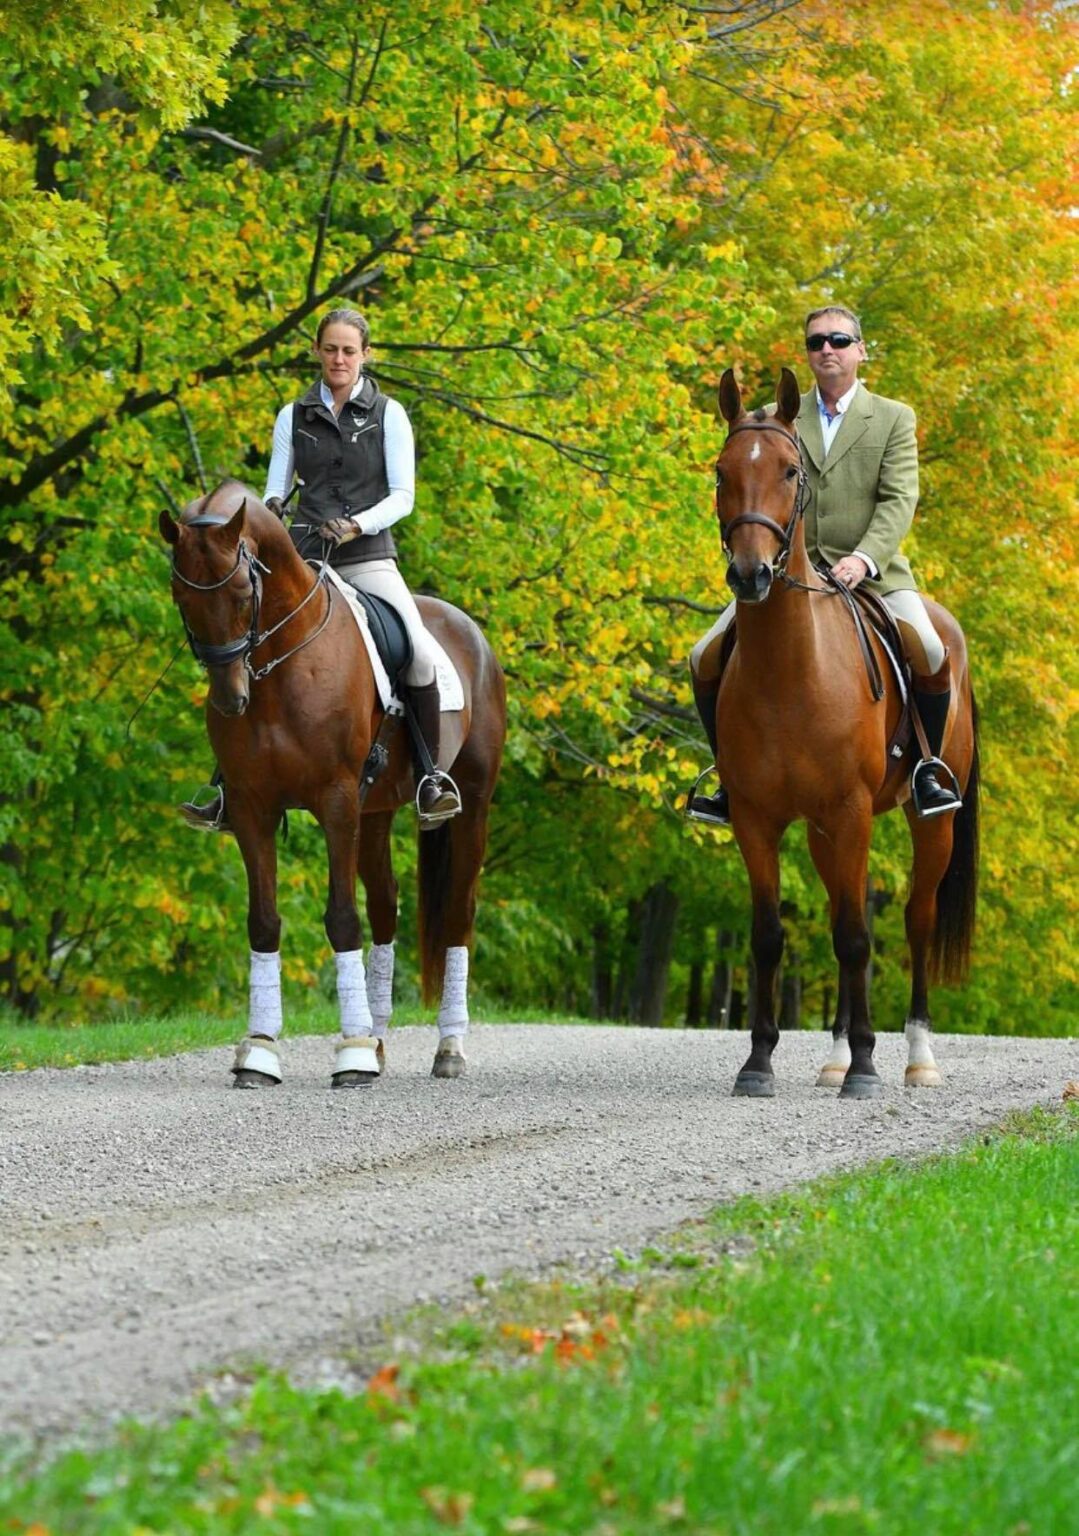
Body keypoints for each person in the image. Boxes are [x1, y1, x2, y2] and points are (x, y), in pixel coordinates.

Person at [181, 307, 461, 831]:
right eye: (330, 349)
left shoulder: (389, 414)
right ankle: (226, 784)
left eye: (348, 351)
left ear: (365, 355)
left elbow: (403, 496)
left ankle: (429, 780)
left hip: (367, 558)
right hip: (303, 558)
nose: (339, 359)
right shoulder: (293, 415)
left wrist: (356, 525)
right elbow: (274, 490)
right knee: (246, 646)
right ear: (317, 352)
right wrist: (271, 518)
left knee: (420, 654)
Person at [686, 304, 961, 825]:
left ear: (860, 350)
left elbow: (899, 499)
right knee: (703, 655)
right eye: (816, 343)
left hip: (874, 574)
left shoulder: (893, 418)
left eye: (838, 340)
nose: (826, 350)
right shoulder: (775, 418)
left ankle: (927, 767)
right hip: (789, 575)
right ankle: (726, 774)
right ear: (808, 355)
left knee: (928, 647)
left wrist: (864, 559)